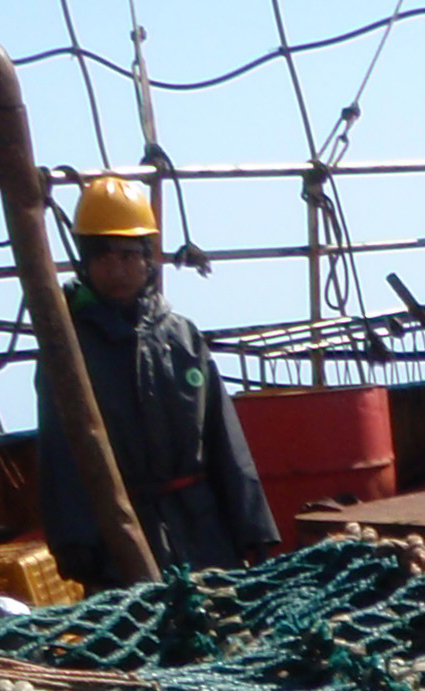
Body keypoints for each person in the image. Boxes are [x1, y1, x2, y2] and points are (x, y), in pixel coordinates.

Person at [34, 175, 282, 587]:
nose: (118, 268)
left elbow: (225, 440)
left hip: (206, 538)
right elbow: (60, 453)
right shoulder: (68, 351)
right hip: (122, 545)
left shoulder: (183, 338)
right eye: (104, 256)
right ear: (85, 262)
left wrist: (253, 528)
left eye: (130, 255)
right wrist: (77, 545)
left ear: (149, 258)